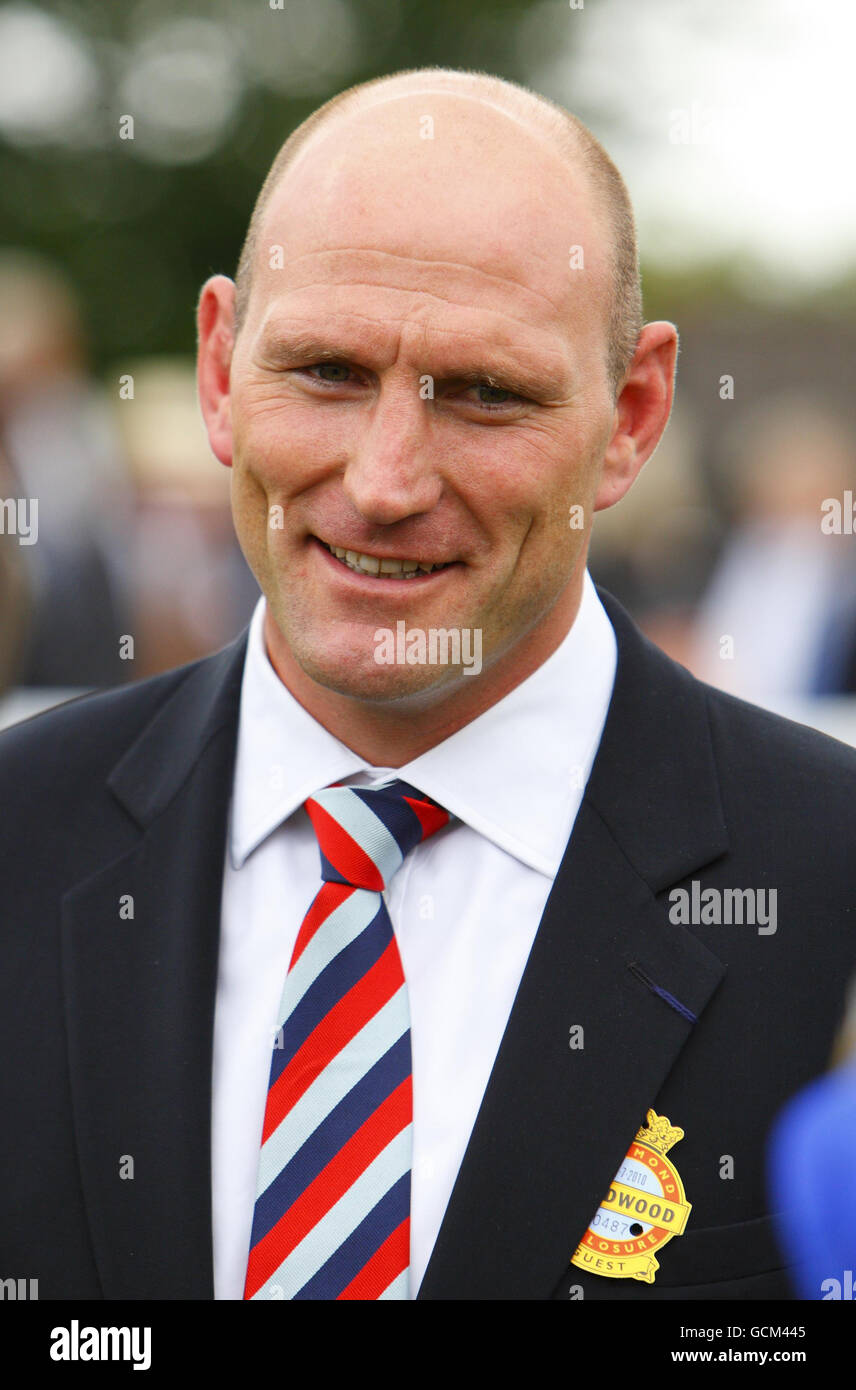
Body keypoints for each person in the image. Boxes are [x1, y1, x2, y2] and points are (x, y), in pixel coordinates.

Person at [1, 66, 855, 1302]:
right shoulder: (21, 837)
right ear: (219, 368)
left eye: (486, 394)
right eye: (328, 372)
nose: (387, 479)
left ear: (632, 411)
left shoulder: (827, 883)